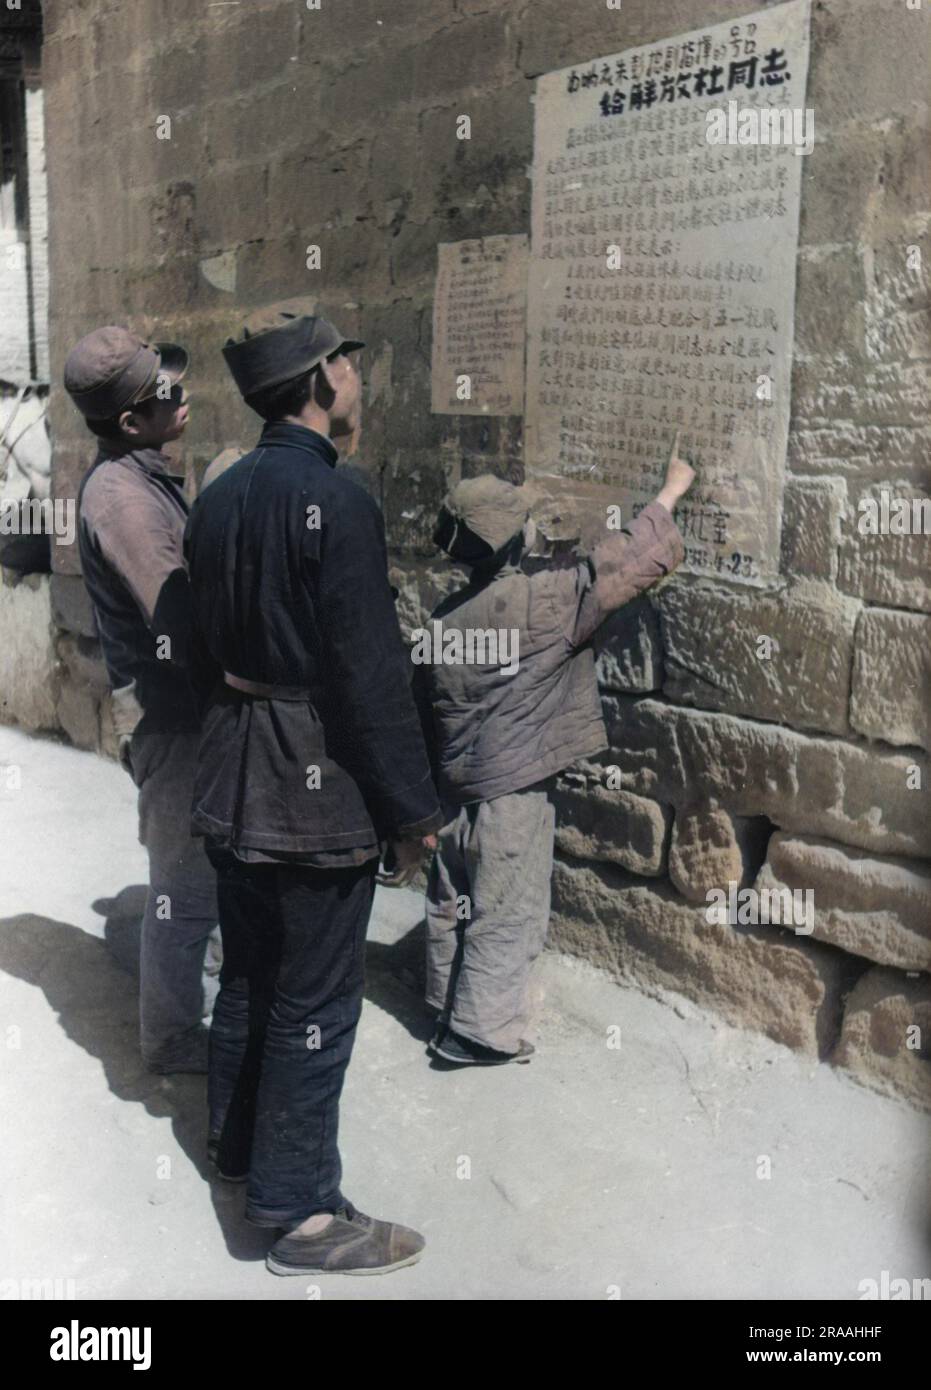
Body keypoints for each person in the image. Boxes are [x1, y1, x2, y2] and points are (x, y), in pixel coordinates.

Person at [184, 310, 442, 1277]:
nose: (359, 384)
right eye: (350, 365)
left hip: (235, 766)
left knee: (251, 971)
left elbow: (206, 643)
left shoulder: (220, 494)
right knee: (317, 996)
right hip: (313, 783)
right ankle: (295, 1217)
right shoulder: (340, 500)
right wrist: (412, 811)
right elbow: (367, 677)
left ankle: (240, 1151)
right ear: (322, 380)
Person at [420, 439, 695, 1066]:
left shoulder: (442, 620)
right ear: (515, 541)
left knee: (451, 903)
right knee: (507, 910)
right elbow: (624, 566)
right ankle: (478, 1034)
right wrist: (671, 491)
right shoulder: (542, 602)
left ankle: (442, 1004)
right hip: (513, 793)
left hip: (454, 797)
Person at [66, 326, 218, 1074]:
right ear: (129, 423)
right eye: (167, 393)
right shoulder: (123, 500)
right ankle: (171, 1036)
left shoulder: (138, 474)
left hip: (177, 708)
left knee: (196, 872)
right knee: (182, 886)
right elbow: (178, 621)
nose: (182, 397)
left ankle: (191, 999)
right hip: (171, 715)